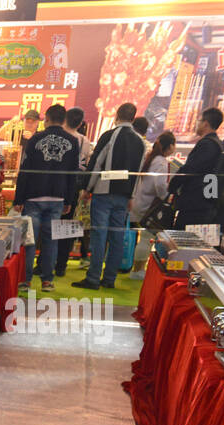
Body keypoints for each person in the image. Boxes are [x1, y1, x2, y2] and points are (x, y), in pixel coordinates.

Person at [73, 102, 144, 290]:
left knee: (99, 236)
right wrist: (132, 196)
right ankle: (110, 278)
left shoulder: (110, 136)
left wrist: (87, 188)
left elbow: (96, 163)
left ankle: (93, 278)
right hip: (124, 195)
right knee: (116, 237)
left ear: (116, 115)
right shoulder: (140, 142)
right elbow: (138, 173)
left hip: (104, 192)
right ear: (133, 118)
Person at [13, 103, 81, 291]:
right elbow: (72, 174)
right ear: (63, 120)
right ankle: (47, 281)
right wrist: (69, 200)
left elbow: (25, 170)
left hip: (33, 197)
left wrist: (19, 199)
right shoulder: (73, 141)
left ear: (47, 119)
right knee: (52, 241)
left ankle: (26, 281)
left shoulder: (35, 139)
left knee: (29, 241)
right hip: (57, 197)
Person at [129, 131, 176, 279]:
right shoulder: (161, 161)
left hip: (140, 201)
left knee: (142, 237)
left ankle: (136, 268)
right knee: (146, 238)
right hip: (150, 206)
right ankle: (137, 270)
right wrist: (166, 196)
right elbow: (160, 185)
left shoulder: (151, 157)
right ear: (169, 146)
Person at [171, 107, 224, 229]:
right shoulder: (219, 144)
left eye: (198, 120)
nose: (196, 123)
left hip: (196, 202)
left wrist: (172, 186)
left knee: (183, 239)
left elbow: (190, 169)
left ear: (205, 123)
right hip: (206, 200)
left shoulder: (207, 144)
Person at [53, 108, 91, 278]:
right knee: (68, 227)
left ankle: (45, 263)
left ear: (64, 119)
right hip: (74, 187)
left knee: (51, 225)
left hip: (54, 185)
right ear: (81, 123)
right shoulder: (84, 141)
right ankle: (61, 265)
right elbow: (85, 166)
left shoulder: (58, 137)